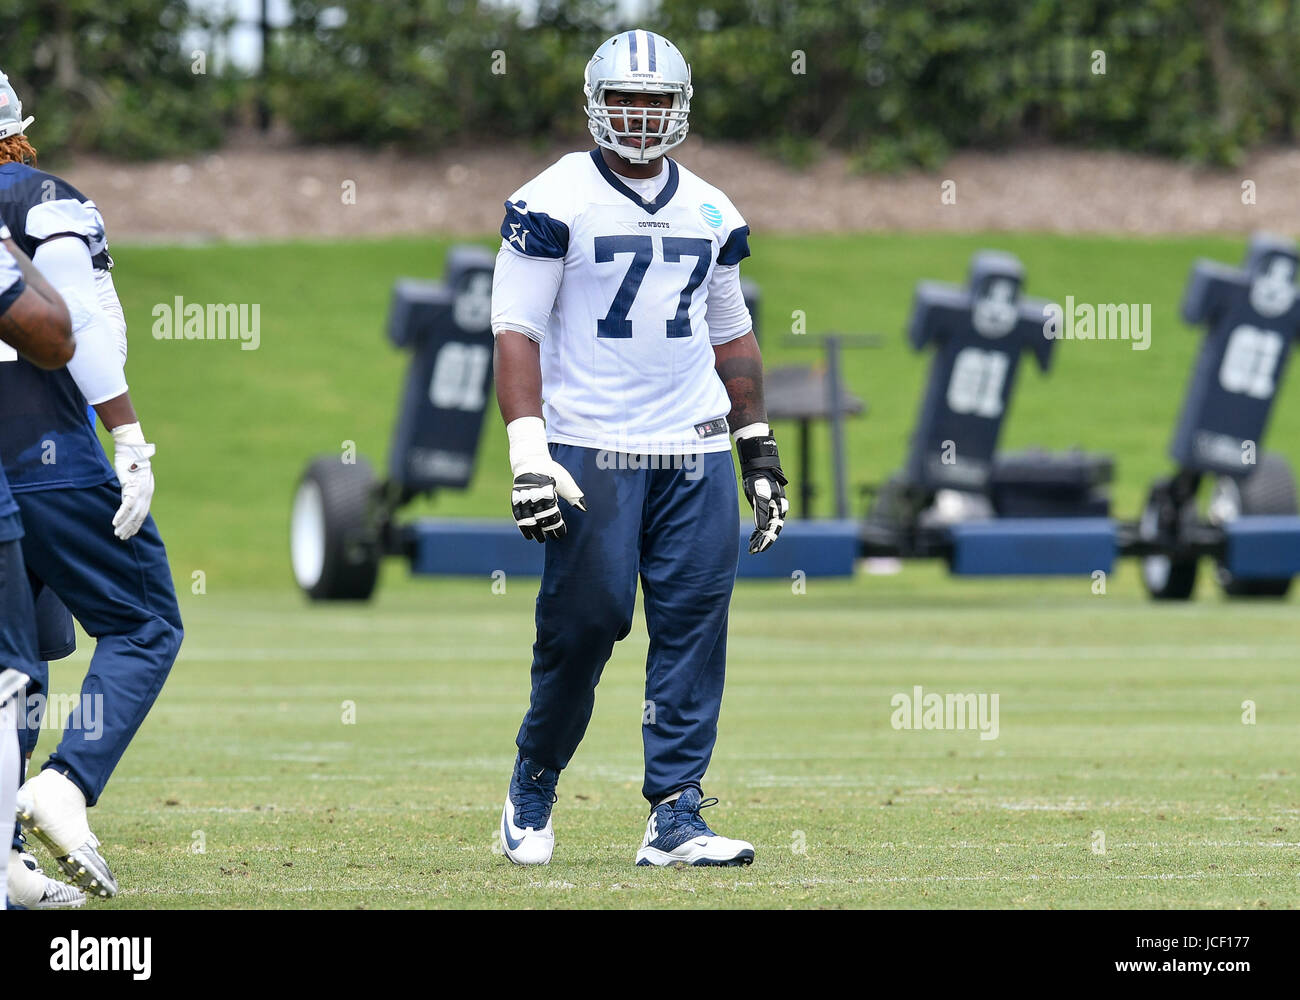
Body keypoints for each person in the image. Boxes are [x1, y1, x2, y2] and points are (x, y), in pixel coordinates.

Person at [490, 30, 789, 867]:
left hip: (691, 448)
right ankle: (534, 777)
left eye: (656, 101)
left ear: (680, 108)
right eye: (625, 97)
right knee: (587, 626)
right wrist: (529, 453)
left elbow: (732, 335)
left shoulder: (712, 209)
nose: (640, 114)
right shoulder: (553, 198)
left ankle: (676, 812)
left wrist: (756, 449)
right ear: (595, 100)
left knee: (695, 627)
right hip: (592, 444)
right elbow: (515, 330)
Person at [0, 70, 183, 898]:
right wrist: (131, 434)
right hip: (49, 454)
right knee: (145, 622)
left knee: (20, 655)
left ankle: (7, 848)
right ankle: (64, 786)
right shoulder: (44, 198)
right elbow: (73, 326)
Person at [0, 224, 79, 907]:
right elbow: (60, 340)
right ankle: (9, 861)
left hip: (32, 464)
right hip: (28, 465)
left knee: (25, 668)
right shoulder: (47, 223)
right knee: (17, 672)